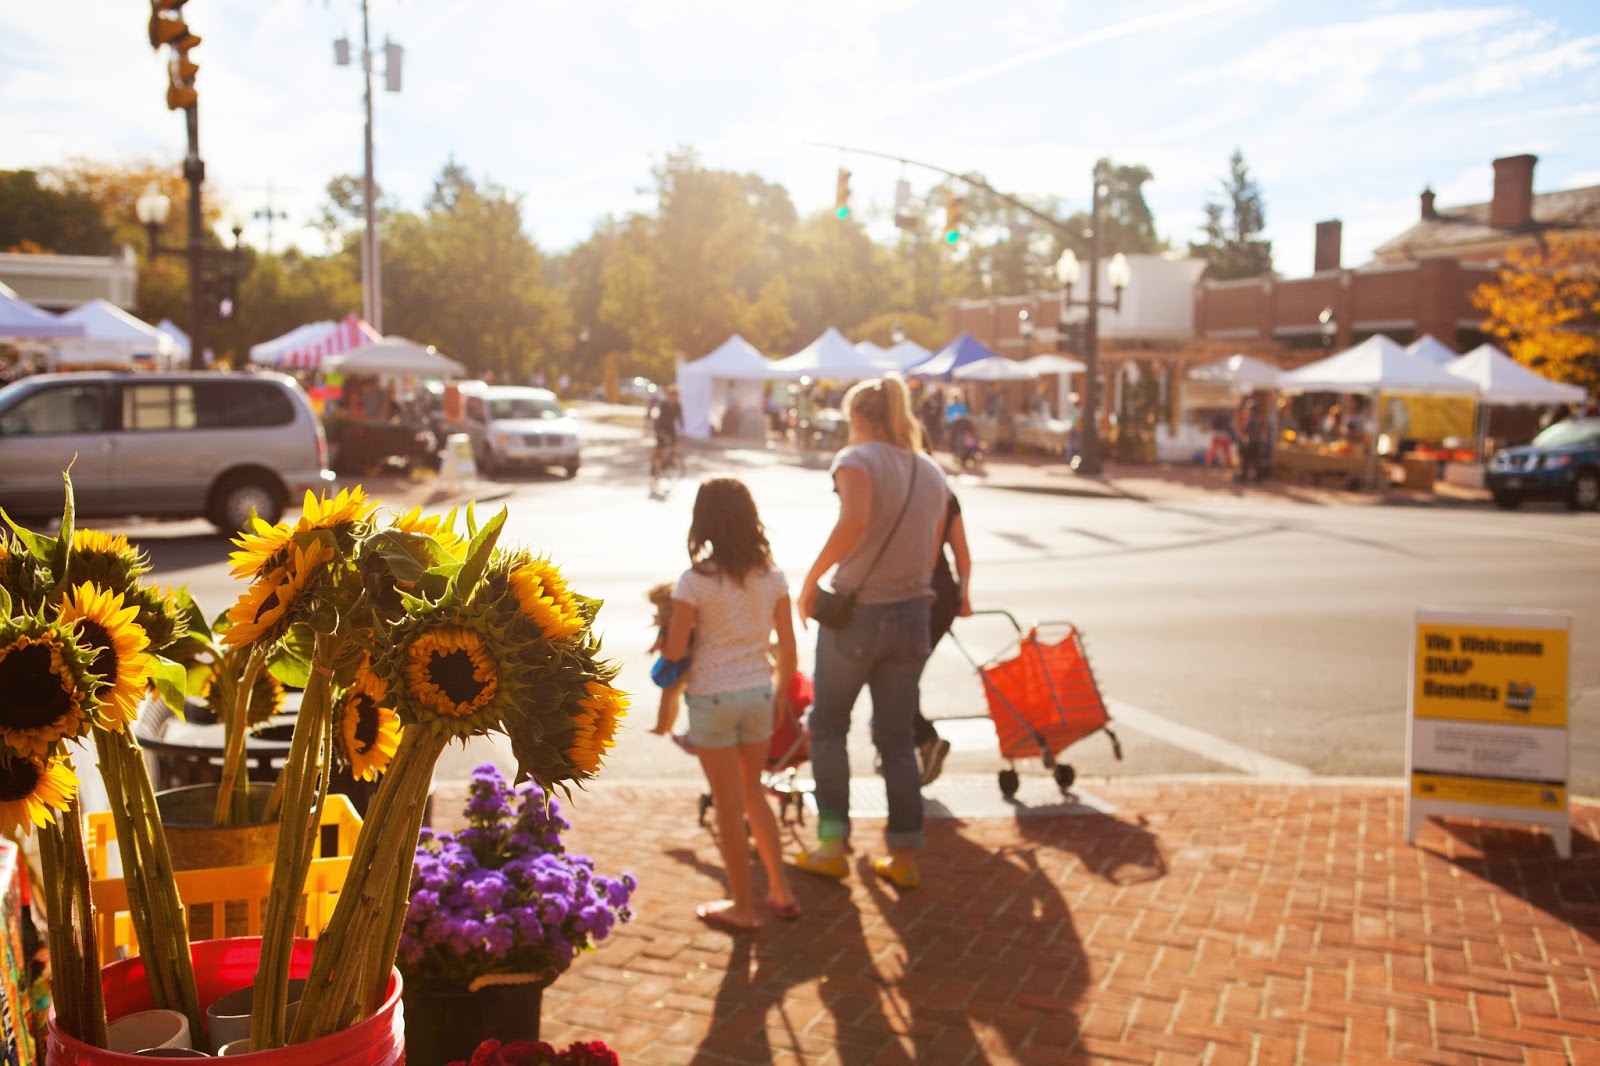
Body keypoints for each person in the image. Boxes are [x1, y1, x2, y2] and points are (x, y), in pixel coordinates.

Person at [796, 375, 951, 889]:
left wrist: (812, 577)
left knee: (828, 728)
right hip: (913, 615)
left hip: (860, 615)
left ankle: (833, 843)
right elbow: (932, 551)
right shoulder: (930, 471)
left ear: (859, 418)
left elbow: (854, 522)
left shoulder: (856, 460)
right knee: (897, 738)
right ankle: (904, 855)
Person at [655, 478, 801, 931]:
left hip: (713, 698)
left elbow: (676, 655)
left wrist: (664, 667)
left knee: (727, 802)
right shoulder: (772, 576)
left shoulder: (692, 582)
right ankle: (781, 890)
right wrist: (777, 694)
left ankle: (742, 906)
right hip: (758, 695)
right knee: (754, 793)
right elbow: (790, 652)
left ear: (705, 521)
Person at [911, 489, 972, 786]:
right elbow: (963, 554)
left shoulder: (904, 483)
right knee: (906, 675)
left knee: (899, 677)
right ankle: (917, 740)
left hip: (918, 594)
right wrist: (963, 594)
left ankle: (923, 739)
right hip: (943, 594)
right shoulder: (944, 492)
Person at [652, 385, 684, 471]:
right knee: (659, 446)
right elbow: (659, 418)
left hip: (670, 428)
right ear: (670, 396)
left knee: (675, 444)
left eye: (677, 397)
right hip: (661, 427)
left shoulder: (678, 406)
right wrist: (660, 431)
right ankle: (654, 465)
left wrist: (682, 430)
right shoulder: (664, 405)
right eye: (674, 396)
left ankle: (669, 461)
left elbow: (680, 418)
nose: (675, 398)